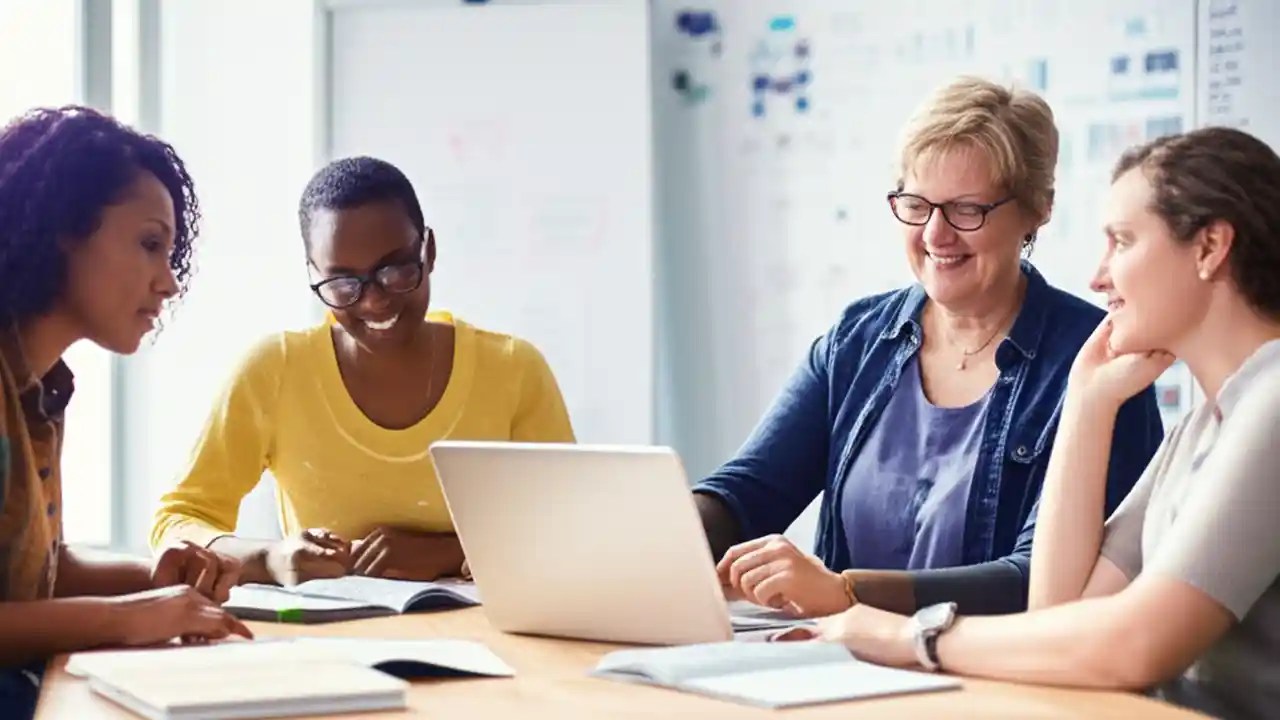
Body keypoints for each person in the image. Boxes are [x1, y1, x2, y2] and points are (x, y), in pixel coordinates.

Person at [782, 125, 1280, 720]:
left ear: (1209, 248)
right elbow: (1058, 615)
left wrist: (907, 637)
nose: (1099, 277)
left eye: (1122, 242)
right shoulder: (1206, 423)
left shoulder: (1273, 404)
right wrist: (1086, 405)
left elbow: (1134, 646)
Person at [697, 76, 1164, 618]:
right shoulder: (858, 340)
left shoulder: (1100, 363)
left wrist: (848, 592)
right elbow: (748, 495)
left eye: (967, 210)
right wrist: (654, 534)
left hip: (996, 681)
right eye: (917, 204)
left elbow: (1046, 580)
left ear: (1037, 209)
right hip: (839, 670)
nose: (935, 235)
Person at [150, 156, 576, 586]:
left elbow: (573, 530)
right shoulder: (276, 370)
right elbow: (178, 521)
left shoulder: (512, 370)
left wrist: (449, 551)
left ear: (428, 250)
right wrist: (270, 558)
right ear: (313, 275)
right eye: (343, 284)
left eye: (394, 271)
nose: (374, 302)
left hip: (485, 640)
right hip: (332, 641)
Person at [0, 106, 250, 720]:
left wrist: (152, 577)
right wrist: (123, 619)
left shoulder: (35, 384)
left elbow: (31, 576)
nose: (167, 281)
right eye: (148, 244)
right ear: (64, 226)